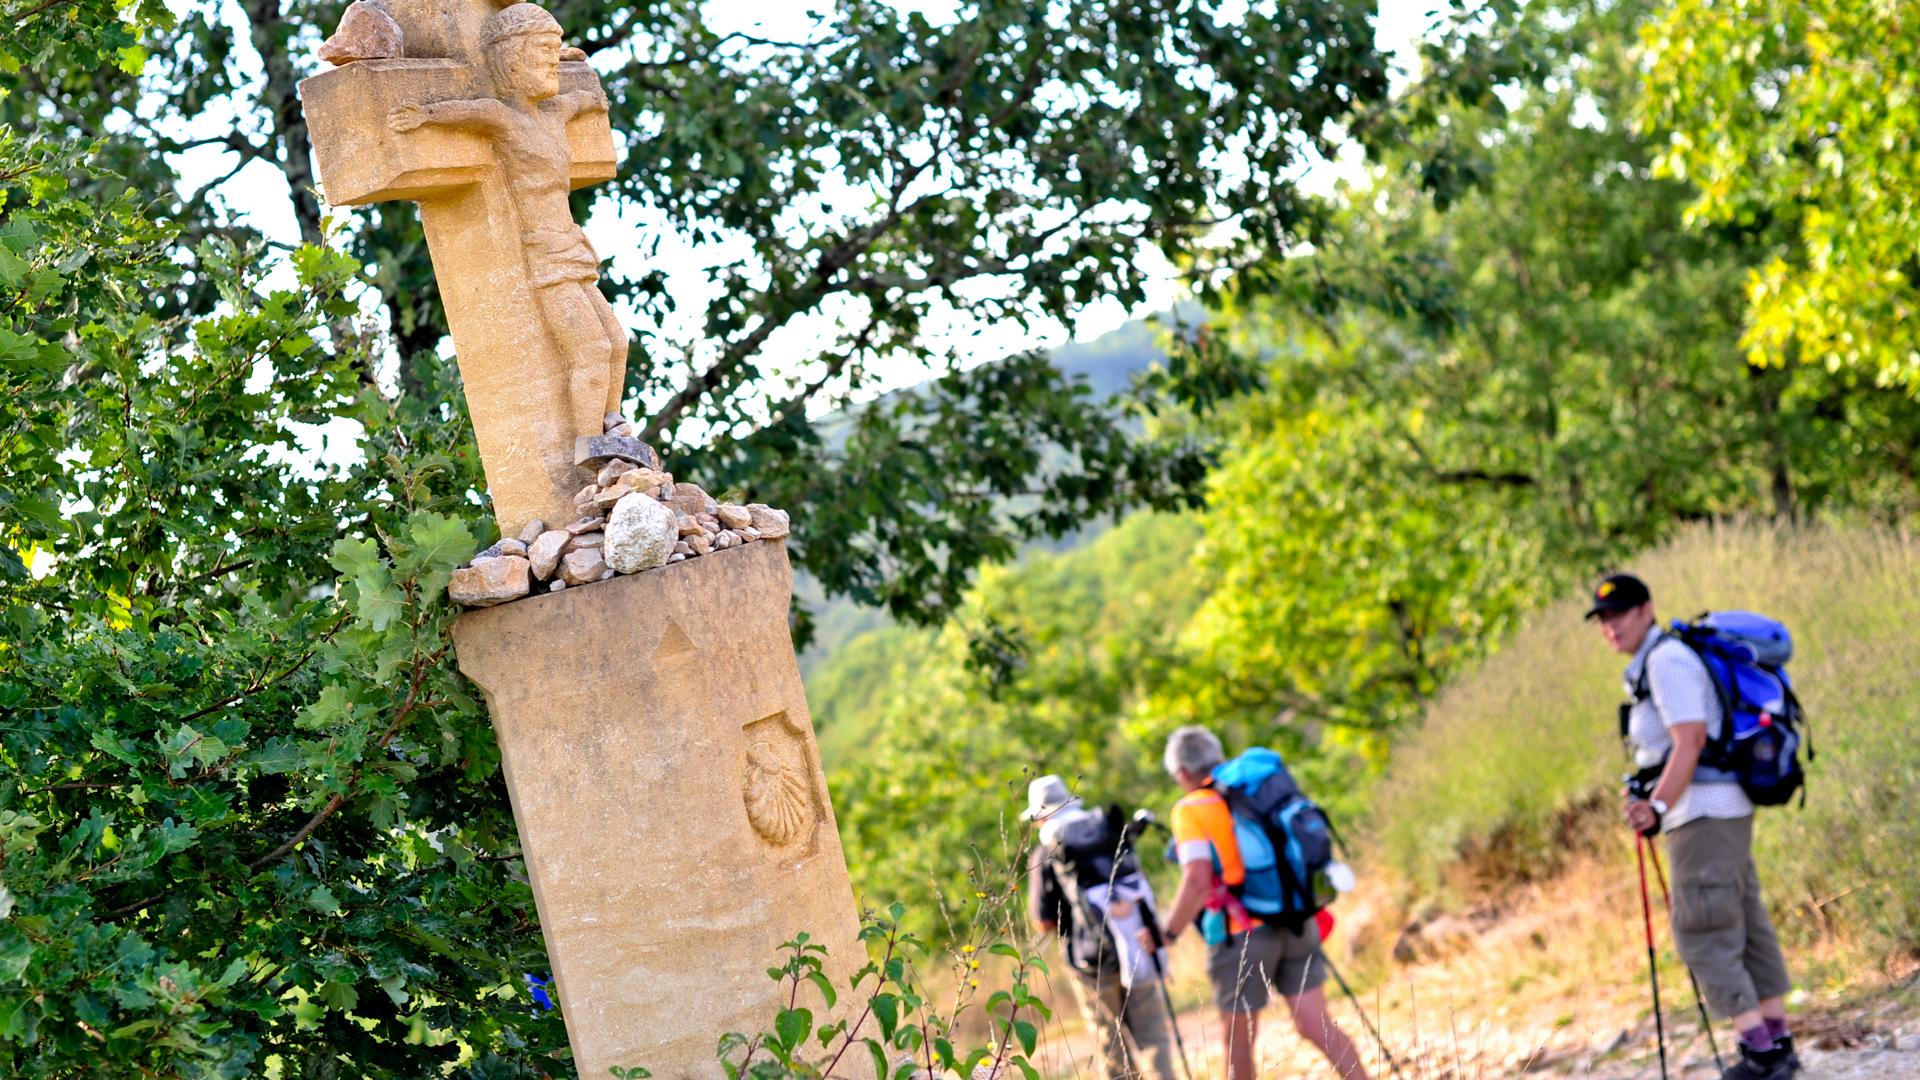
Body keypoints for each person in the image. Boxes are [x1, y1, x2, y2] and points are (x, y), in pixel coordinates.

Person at [1588, 573, 1799, 1080]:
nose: (1611, 626)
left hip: (1701, 814)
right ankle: (1777, 1041)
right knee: (1744, 924)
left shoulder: (1666, 661)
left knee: (1701, 929)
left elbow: (1690, 741)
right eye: (1603, 619)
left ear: (1647, 609)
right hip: (1716, 809)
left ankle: (1761, 1053)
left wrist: (1657, 807)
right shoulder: (1662, 661)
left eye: (1620, 613)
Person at [388, 3, 628, 436]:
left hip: (573, 245)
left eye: (554, 51)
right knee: (589, 347)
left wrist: (596, 99)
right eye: (541, 53)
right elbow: (469, 111)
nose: (552, 61)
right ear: (512, 61)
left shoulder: (554, 112)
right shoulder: (503, 117)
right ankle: (590, 445)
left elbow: (582, 100)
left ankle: (611, 426)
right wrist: (424, 115)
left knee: (617, 342)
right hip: (544, 252)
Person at [1141, 729, 1367, 1080]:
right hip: (1296, 916)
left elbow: (1198, 881)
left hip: (1241, 936)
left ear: (1183, 772)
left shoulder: (1191, 809)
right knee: (1316, 1024)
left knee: (1239, 1041)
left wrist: (1167, 933)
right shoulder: (1252, 788)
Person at [1024, 775, 1178, 1080]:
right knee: (1154, 1038)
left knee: (1110, 1042)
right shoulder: (1108, 832)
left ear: (1041, 816)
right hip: (1137, 943)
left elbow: (1043, 921)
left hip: (1089, 959)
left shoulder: (1045, 852)